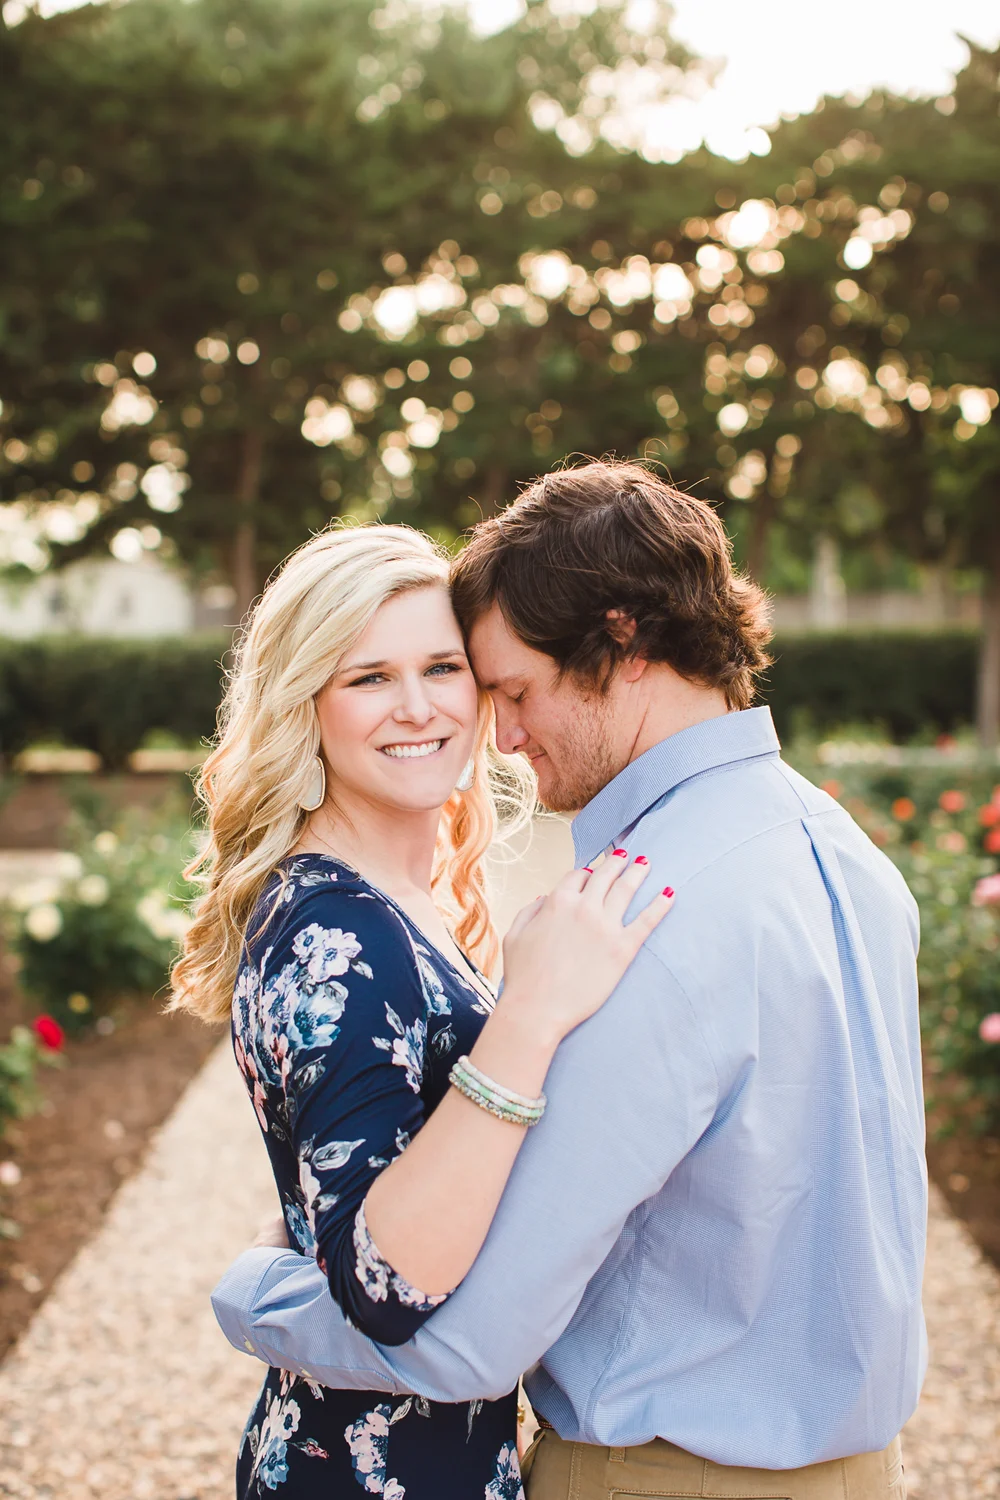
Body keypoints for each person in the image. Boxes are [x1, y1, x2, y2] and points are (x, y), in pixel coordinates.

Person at [212, 460, 927, 1500]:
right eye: (370, 677)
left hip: (662, 1479)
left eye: (508, 688)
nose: (498, 734)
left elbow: (464, 1343)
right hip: (865, 1471)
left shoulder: (632, 919)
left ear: (621, 643)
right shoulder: (845, 853)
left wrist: (254, 1292)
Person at [170, 520, 673, 1499]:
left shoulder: (392, 900)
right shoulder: (338, 934)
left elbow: (360, 1176)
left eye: (442, 668)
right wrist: (530, 1015)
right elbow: (385, 1286)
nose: (417, 707)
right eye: (369, 678)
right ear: (304, 703)